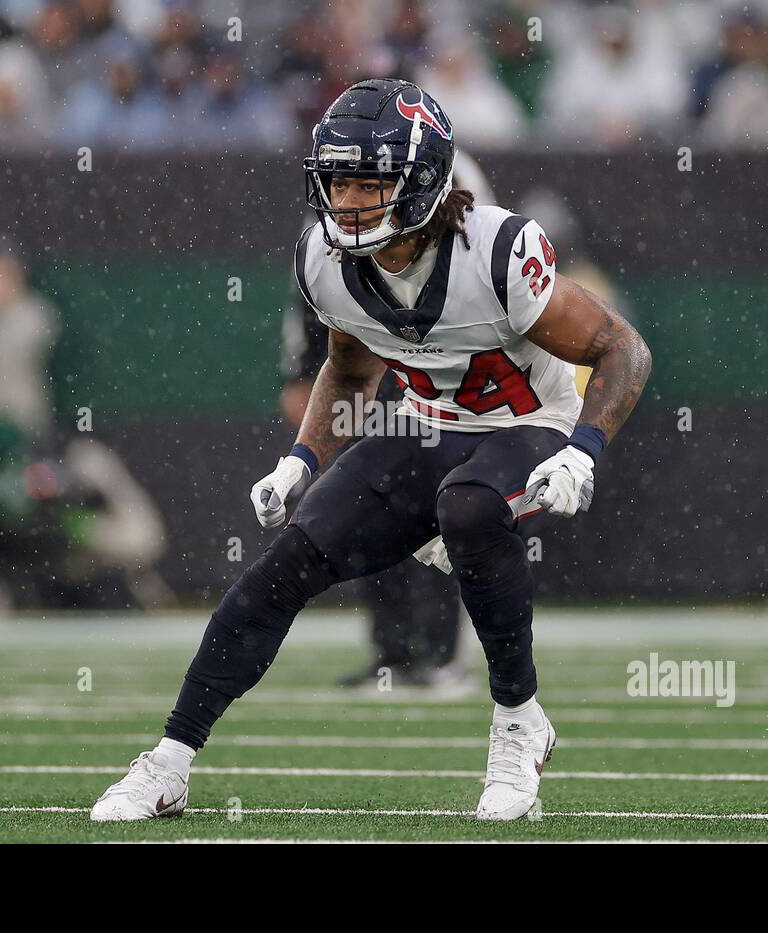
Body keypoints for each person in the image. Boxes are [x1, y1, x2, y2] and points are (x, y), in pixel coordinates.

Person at [91, 78, 651, 822]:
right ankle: (168, 762)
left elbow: (623, 347)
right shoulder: (325, 261)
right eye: (339, 180)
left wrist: (583, 449)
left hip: (530, 423)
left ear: (421, 183)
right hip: (425, 425)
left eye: (369, 181)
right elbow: (350, 364)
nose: (348, 200)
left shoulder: (500, 250)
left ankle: (519, 723)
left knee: (471, 507)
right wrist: (302, 458)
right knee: (284, 564)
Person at [281, 147, 495, 693]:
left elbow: (480, 272)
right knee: (368, 503)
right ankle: (393, 652)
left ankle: (442, 652)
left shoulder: (452, 173)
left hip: (437, 358)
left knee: (441, 505)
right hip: (363, 357)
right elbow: (315, 287)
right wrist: (301, 372)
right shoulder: (336, 180)